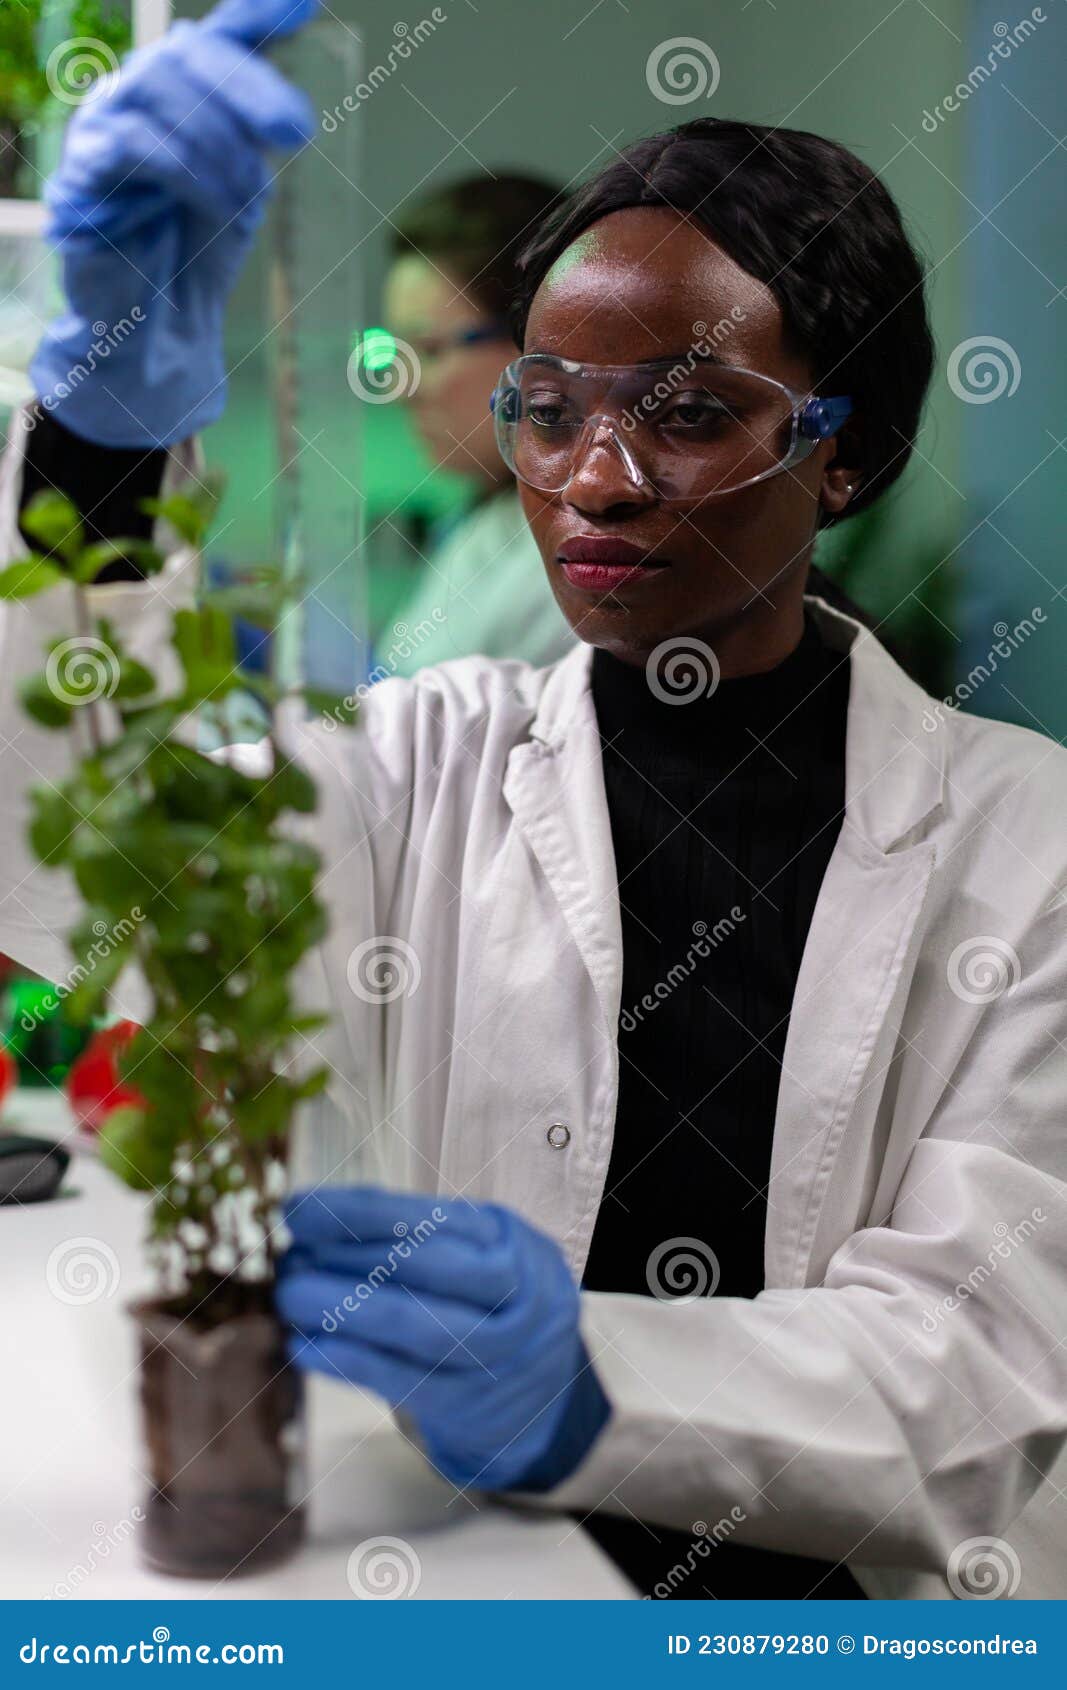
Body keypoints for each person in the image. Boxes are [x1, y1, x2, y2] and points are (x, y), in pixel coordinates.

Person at [2, 0, 1066, 1601]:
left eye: (689, 413)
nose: (594, 476)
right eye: (549, 406)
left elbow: (983, 1367)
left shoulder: (1024, 843)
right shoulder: (415, 760)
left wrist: (594, 1377)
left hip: (834, 1610)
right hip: (480, 1578)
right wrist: (93, 434)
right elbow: (84, 846)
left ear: (844, 454)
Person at [378, 172, 576, 674]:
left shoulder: (572, 559)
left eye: (430, 350)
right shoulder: (489, 519)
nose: (402, 388)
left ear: (532, 340)